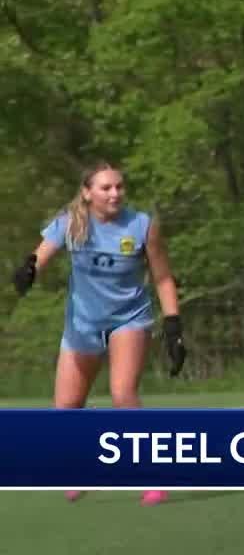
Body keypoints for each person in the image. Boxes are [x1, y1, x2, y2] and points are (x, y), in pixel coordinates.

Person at [11, 162, 188, 507]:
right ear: (87, 193)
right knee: (67, 406)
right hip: (83, 322)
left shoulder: (142, 225)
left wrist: (173, 326)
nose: (115, 193)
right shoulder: (71, 222)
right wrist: (29, 270)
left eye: (119, 187)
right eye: (106, 188)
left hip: (129, 319)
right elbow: (40, 256)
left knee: (122, 394)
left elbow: (163, 278)